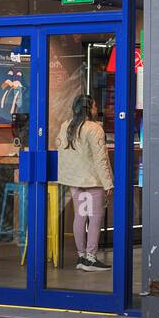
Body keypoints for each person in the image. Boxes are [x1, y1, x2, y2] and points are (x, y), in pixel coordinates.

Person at [56, 94, 114, 272]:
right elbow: (100, 159)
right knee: (95, 218)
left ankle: (81, 256)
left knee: (80, 216)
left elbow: (61, 150)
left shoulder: (66, 126)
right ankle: (91, 258)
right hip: (92, 181)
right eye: (95, 106)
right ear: (89, 109)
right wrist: (108, 183)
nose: (97, 109)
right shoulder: (94, 128)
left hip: (75, 181)